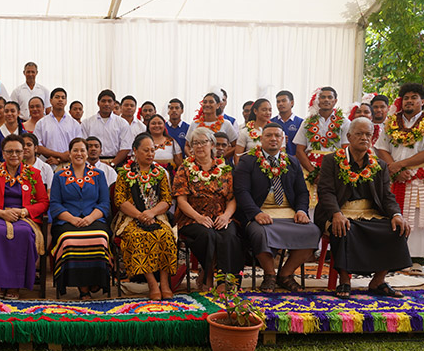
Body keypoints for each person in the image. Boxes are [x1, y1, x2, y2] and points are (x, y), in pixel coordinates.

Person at [315, 118, 411, 298]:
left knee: (397, 229)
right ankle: (344, 280)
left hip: (369, 212)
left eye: (368, 134)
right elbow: (326, 191)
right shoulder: (332, 160)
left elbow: (386, 196)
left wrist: (397, 214)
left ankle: (378, 281)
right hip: (338, 210)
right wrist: (336, 214)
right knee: (343, 227)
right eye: (359, 134)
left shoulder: (380, 165)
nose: (364, 138)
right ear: (349, 136)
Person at [234, 123, 320, 292]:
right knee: (260, 232)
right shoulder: (248, 161)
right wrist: (256, 213)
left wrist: (302, 210)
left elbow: (302, 192)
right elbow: (241, 191)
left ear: (283, 140)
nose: (273, 139)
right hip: (261, 211)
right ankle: (269, 274)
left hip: (288, 212)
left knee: (313, 231)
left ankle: (285, 274)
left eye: (277, 136)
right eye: (268, 135)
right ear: (261, 139)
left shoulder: (292, 161)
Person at [375, 83, 424, 272]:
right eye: (406, 98)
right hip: (393, 174)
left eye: (414, 97)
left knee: (417, 215)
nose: (409, 101)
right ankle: (392, 256)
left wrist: (400, 165)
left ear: (422, 101)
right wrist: (395, 170)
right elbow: (382, 149)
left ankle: (416, 259)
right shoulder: (390, 122)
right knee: (391, 212)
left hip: (418, 175)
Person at [0, 135, 49, 298]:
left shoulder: (34, 174)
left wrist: (24, 212)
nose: (14, 155)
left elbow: (43, 202)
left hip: (24, 217)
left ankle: (15, 285)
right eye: (9, 151)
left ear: (24, 153)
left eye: (18, 151)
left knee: (23, 234)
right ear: (3, 153)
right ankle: (0, 283)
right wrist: (1, 213)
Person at [173, 127, 242, 292]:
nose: (198, 146)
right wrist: (199, 218)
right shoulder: (184, 168)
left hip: (220, 214)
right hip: (192, 217)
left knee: (229, 234)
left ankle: (224, 280)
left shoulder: (224, 168)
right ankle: (208, 272)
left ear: (212, 145)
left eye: (203, 142)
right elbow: (181, 200)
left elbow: (231, 199)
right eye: (195, 143)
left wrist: (225, 216)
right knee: (207, 235)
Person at [113, 133, 176, 299]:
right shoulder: (124, 172)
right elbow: (120, 200)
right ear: (135, 150)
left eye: (153, 150)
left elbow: (167, 200)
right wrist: (140, 215)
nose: (150, 154)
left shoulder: (160, 172)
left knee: (165, 234)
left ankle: (164, 282)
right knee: (138, 236)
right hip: (131, 217)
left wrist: (151, 212)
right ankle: (152, 284)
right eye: (146, 150)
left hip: (157, 216)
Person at [48, 138, 111, 299]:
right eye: (75, 150)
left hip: (94, 219)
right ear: (69, 154)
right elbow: (55, 205)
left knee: (100, 238)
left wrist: (90, 218)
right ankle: (83, 289)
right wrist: (72, 219)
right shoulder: (59, 176)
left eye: (82, 150)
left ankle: (96, 280)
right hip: (66, 221)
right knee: (69, 240)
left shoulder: (98, 174)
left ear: (87, 153)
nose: (79, 153)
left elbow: (104, 203)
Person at [294, 87, 350, 207]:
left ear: (335, 101)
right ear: (317, 100)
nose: (326, 100)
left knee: (332, 202)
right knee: (307, 202)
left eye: (330, 97)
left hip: (335, 166)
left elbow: (346, 149)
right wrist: (313, 172)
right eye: (322, 97)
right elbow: (299, 150)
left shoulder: (345, 122)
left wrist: (331, 172)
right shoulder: (308, 121)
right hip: (309, 167)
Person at [82, 90, 132, 164]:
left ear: (114, 103)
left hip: (116, 162)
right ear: (98, 103)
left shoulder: (122, 123)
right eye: (103, 101)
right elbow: (83, 145)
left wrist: (112, 164)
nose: (106, 104)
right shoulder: (87, 122)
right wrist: (95, 163)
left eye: (109, 101)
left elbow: (125, 148)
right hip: (92, 162)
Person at [35, 88, 83, 166]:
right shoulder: (41, 123)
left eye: (63, 98)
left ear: (66, 101)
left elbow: (79, 146)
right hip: (47, 164)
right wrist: (60, 155)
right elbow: (38, 147)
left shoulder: (74, 124)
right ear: (50, 101)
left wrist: (59, 160)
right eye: (57, 97)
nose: (60, 100)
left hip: (70, 164)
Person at [192, 92, 237, 157]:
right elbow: (187, 145)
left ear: (218, 105)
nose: (207, 104)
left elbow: (235, 146)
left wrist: (222, 157)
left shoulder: (226, 124)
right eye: (204, 102)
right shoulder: (195, 123)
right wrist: (194, 157)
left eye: (211, 102)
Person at [0, 101, 24, 166]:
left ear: (18, 113)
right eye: (6, 111)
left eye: (12, 111)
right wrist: (6, 172)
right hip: (2, 172)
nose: (9, 114)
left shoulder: (24, 133)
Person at [271, 90, 305, 157]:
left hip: (296, 161)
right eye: (278, 102)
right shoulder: (271, 122)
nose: (280, 104)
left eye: (284, 101)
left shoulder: (301, 122)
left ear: (292, 103)